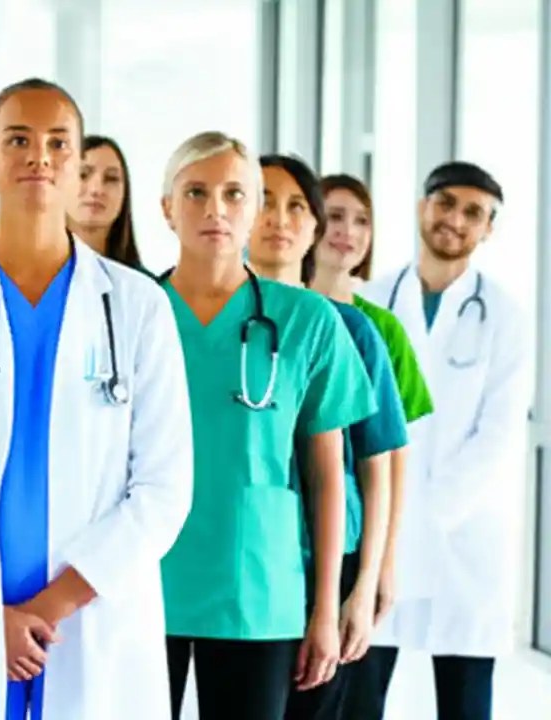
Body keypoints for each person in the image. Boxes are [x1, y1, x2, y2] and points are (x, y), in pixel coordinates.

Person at [0, 77, 194, 720]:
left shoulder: (137, 306)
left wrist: (48, 609)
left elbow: (164, 490)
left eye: (58, 143)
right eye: (18, 139)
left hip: (89, 618)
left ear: (80, 166)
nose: (39, 156)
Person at [156, 133, 377, 720]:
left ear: (253, 210)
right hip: (144, 584)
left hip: (258, 589)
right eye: (196, 192)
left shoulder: (308, 320)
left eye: (234, 194)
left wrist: (325, 608)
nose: (215, 209)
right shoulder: (133, 310)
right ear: (166, 207)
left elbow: (327, 477)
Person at [351, 162, 532, 720]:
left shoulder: (506, 315)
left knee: (465, 701)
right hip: (382, 539)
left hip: (465, 541)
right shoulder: (370, 302)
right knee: (360, 697)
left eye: (473, 212)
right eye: (446, 203)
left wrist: (425, 514)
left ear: (489, 228)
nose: (455, 219)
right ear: (421, 206)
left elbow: (499, 433)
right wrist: (391, 519)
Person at [245, 154, 410, 719]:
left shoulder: (353, 329)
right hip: (244, 561)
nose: (279, 219)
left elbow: (379, 462)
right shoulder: (201, 315)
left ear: (312, 229)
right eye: (263, 200)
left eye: (297, 206)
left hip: (327, 559)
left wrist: (367, 583)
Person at [309, 174, 437, 678]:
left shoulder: (378, 329)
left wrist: (382, 562)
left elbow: (390, 455)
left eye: (361, 220)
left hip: (350, 537)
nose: (348, 231)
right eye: (335, 216)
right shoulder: (278, 310)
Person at [66, 134, 145, 271]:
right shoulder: (25, 276)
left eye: (111, 178)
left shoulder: (146, 287)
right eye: (83, 175)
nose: (96, 190)